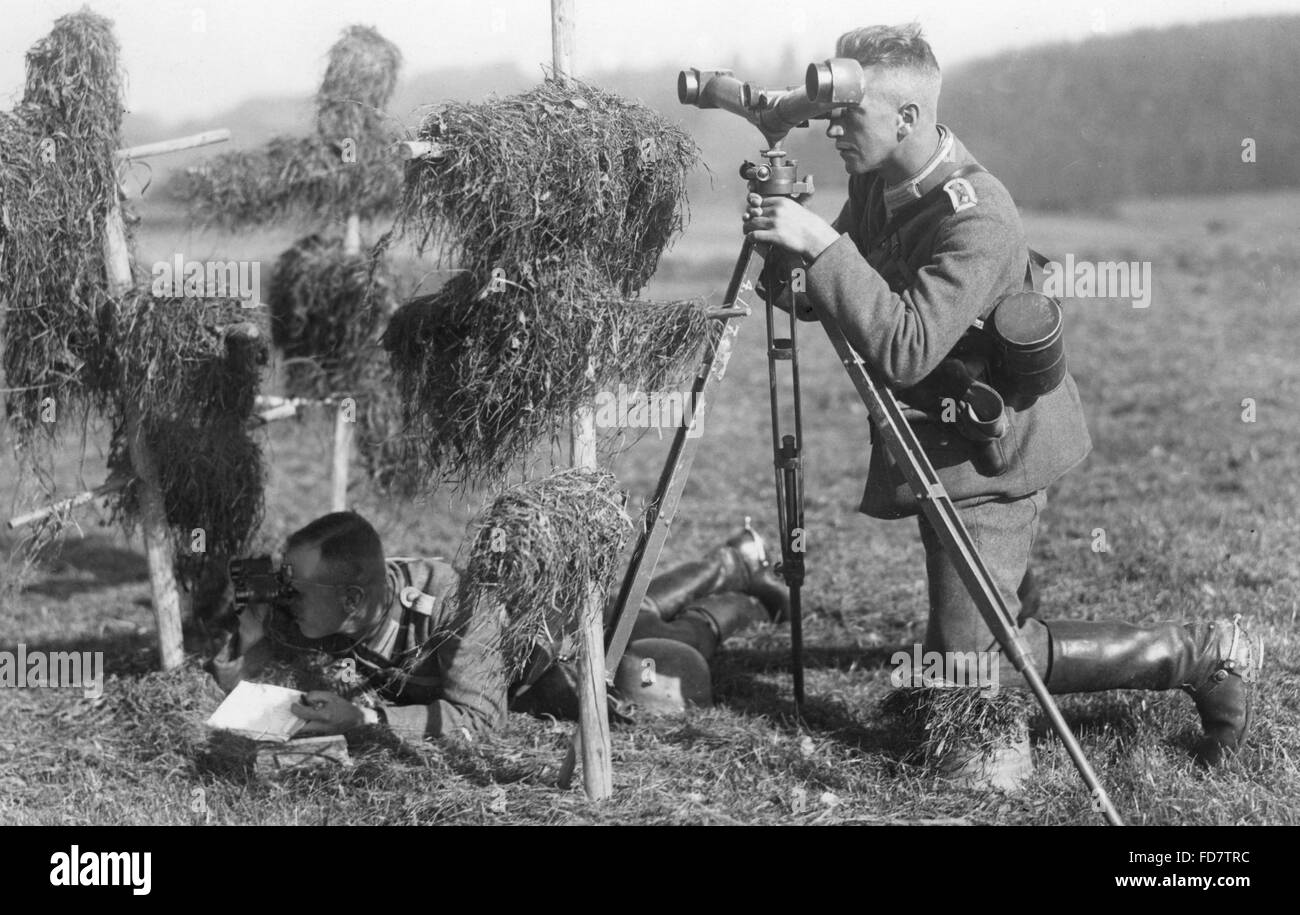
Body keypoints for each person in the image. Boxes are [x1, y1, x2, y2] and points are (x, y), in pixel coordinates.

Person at [741, 23, 1261, 780]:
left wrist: (822, 246)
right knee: (958, 661)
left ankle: (1206, 652)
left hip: (994, 454)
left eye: (849, 116)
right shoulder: (876, 187)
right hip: (935, 445)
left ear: (908, 118)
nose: (833, 130)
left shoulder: (977, 214)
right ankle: (998, 627)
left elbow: (906, 343)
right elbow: (826, 301)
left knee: (970, 683)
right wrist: (783, 244)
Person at [209, 512, 788, 740]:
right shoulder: (327, 599)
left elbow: (480, 719)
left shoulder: (457, 608)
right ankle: (734, 559)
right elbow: (240, 678)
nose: (287, 598)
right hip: (550, 618)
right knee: (634, 607)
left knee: (663, 655)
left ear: (355, 598)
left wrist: (365, 719)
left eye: (294, 589)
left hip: (549, 657)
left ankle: (753, 594)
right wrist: (255, 624)